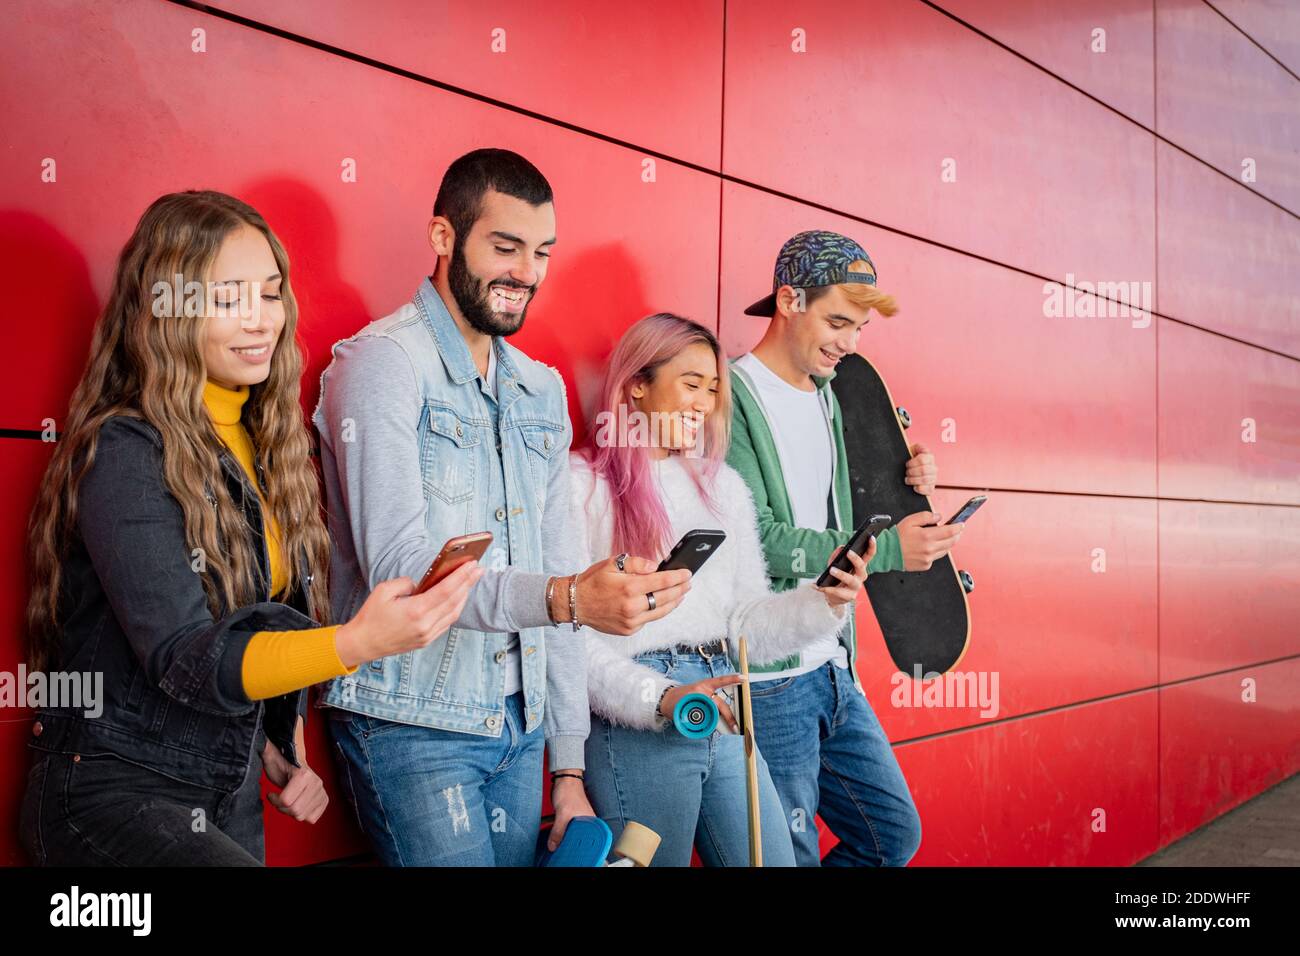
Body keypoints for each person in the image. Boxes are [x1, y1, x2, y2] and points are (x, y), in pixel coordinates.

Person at [18, 190, 478, 866]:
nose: (261, 320)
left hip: (223, 789)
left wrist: (272, 750)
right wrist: (354, 643)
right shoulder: (125, 449)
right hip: (112, 793)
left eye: (269, 295)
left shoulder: (266, 444)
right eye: (228, 298)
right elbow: (182, 658)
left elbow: (240, 633)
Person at [314, 149, 692, 866]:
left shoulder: (539, 389)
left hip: (519, 728)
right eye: (505, 246)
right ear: (443, 238)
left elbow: (558, 574)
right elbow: (406, 574)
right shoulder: (381, 365)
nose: (527, 271)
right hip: (411, 722)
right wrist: (569, 596)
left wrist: (570, 770)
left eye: (542, 251)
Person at [571, 312, 874, 866]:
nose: (705, 404)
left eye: (713, 389)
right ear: (637, 384)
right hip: (638, 717)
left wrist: (823, 601)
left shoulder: (722, 487)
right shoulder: (581, 485)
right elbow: (565, 639)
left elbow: (744, 626)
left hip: (727, 705)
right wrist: (658, 698)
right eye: (691, 385)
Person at [727, 229, 963, 866]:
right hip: (769, 678)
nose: (849, 343)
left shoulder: (832, 398)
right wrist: (887, 552)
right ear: (787, 300)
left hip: (833, 664)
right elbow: (763, 544)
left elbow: (855, 509)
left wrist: (910, 478)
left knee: (891, 837)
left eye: (858, 328)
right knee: (788, 855)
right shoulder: (731, 398)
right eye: (836, 321)